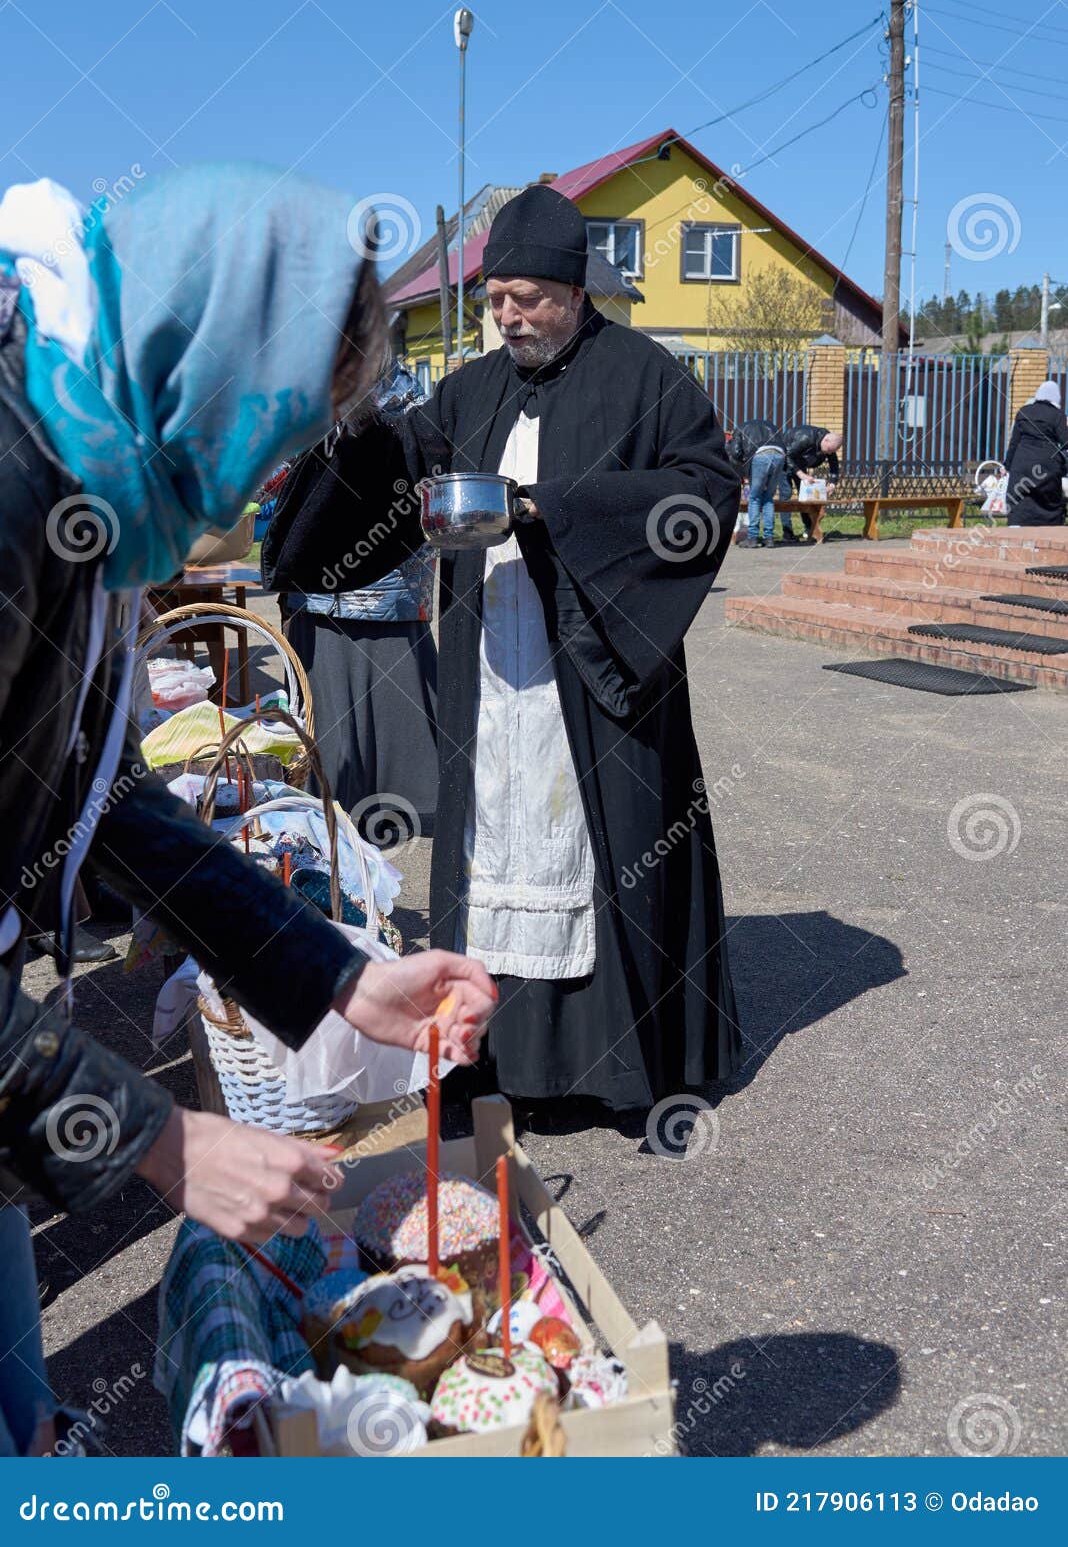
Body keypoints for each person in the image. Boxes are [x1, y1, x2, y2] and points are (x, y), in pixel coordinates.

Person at [0, 169, 495, 1455]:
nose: (253, 494)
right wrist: (160, 1138)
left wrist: (340, 978)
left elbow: (95, 798)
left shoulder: (86, 464)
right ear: (208, 379)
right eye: (268, 443)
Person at [265, 183, 743, 1115]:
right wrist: (355, 422)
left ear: (575, 290)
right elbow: (404, 470)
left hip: (594, 662)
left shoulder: (647, 377)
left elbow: (701, 493)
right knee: (494, 840)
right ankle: (494, 1062)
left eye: (529, 299)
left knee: (600, 845)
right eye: (495, 301)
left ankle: (616, 1069)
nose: (510, 317)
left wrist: (549, 510)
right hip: (492, 661)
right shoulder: (475, 387)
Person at [273, 358, 439, 841]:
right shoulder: (299, 387)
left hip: (384, 583)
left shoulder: (395, 389)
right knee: (326, 726)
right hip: (323, 589)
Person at [1005, 381, 1068, 526]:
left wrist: (1007, 466)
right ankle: (1049, 528)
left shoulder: (1023, 411)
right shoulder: (1058, 415)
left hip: (1022, 463)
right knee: (1048, 500)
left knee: (1020, 498)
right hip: (1047, 465)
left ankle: (1016, 526)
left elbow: (1014, 443)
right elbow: (1065, 442)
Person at [779, 424, 843, 544]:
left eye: (831, 451)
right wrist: (801, 475)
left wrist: (832, 484)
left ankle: (810, 529)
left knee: (805, 497)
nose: (828, 453)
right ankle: (787, 533)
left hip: (799, 463)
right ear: (826, 440)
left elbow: (834, 465)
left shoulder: (830, 443)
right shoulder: (806, 438)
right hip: (785, 463)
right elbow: (787, 456)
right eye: (828, 450)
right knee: (785, 496)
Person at [727, 417, 785, 547]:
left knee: (754, 498)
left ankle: (752, 537)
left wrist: (743, 474)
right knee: (768, 497)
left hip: (760, 456)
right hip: (779, 454)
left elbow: (735, 453)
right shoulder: (771, 425)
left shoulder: (740, 429)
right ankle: (769, 538)